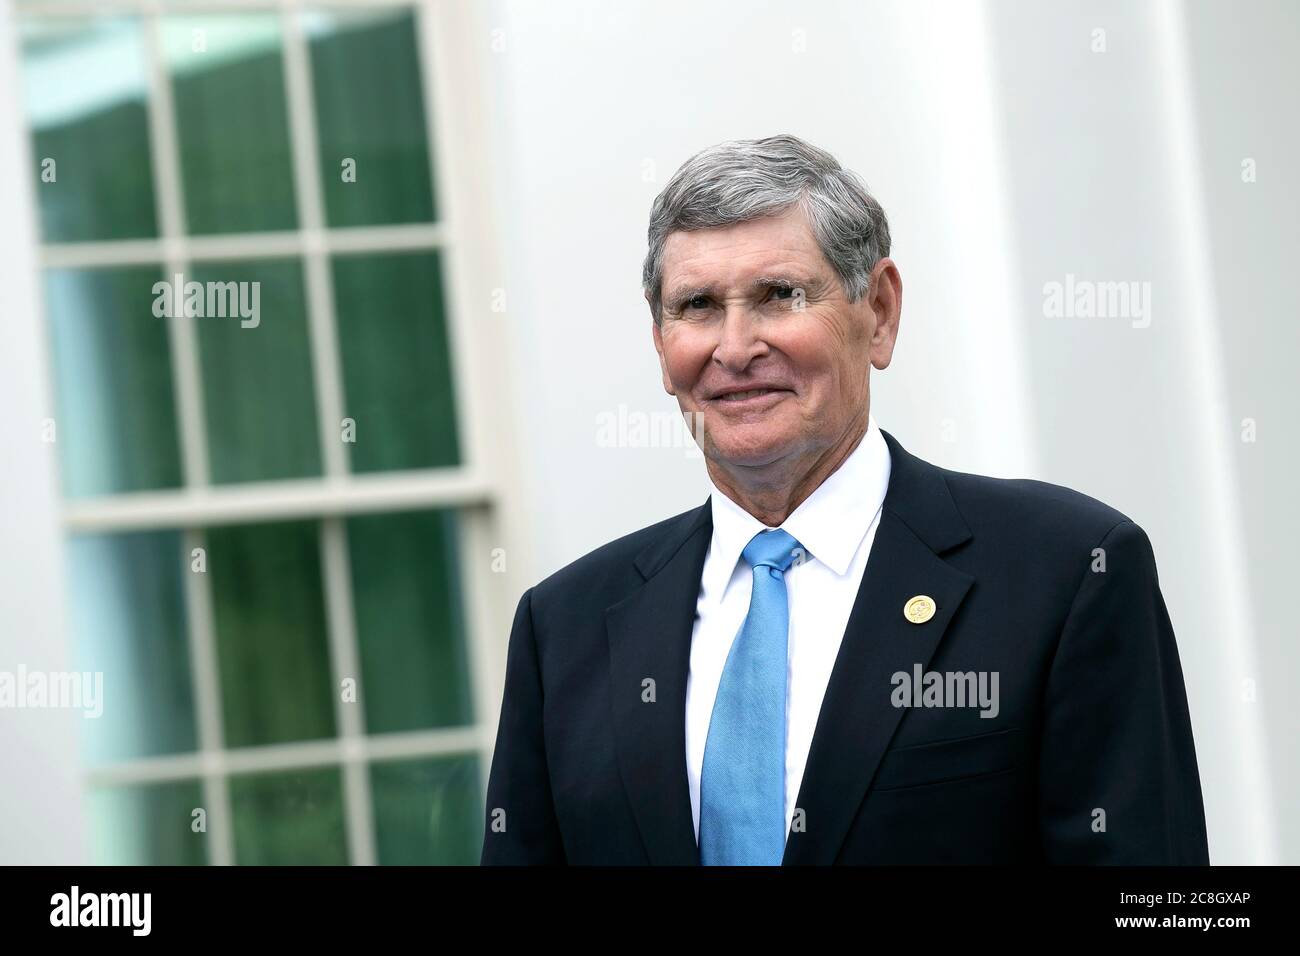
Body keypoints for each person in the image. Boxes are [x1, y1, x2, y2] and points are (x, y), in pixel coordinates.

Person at [480, 134, 1210, 865]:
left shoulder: (1066, 573)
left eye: (780, 296)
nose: (735, 348)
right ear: (660, 343)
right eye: (698, 306)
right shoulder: (565, 631)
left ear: (881, 312)